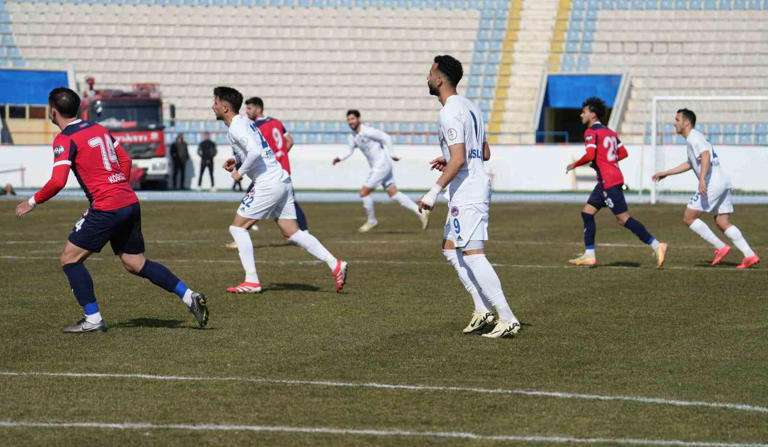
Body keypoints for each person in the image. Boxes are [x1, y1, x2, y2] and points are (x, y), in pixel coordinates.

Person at [14, 87, 208, 333]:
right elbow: (125, 161)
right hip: (128, 201)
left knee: (69, 259)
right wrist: (118, 188)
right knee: (134, 263)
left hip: (108, 206)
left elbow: (58, 181)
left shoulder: (65, 139)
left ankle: (93, 319)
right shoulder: (99, 128)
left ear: (53, 112)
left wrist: (30, 202)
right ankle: (189, 296)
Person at [418, 55, 520, 339]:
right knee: (449, 248)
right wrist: (449, 157)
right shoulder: (472, 107)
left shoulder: (449, 111)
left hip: (468, 192)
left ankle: (507, 316)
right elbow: (483, 153)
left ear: (439, 79)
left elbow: (460, 158)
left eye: (430, 73)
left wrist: (432, 192)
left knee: (474, 256)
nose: (427, 78)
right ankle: (481, 309)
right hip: (472, 186)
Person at [212, 86, 348, 293]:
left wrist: (240, 172)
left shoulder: (236, 128)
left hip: (268, 182)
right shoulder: (245, 123)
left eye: (215, 102)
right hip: (281, 179)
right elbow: (257, 149)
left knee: (237, 228)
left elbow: (256, 151)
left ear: (224, 107)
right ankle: (335, 263)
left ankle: (252, 281)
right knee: (291, 232)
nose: (212, 107)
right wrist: (237, 160)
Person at [566, 97, 667, 268]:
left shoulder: (591, 132)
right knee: (587, 213)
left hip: (608, 181)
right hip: (608, 180)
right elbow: (623, 152)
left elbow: (590, 155)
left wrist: (574, 164)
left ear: (592, 114)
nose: (581, 115)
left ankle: (657, 245)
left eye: (584, 112)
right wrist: (606, 160)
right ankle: (589, 254)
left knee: (623, 219)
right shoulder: (610, 132)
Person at [652, 109, 759, 269]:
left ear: (686, 122)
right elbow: (690, 163)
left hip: (712, 182)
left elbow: (706, 155)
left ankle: (721, 247)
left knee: (689, 217)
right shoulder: (694, 138)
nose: (675, 123)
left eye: (677, 119)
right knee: (722, 222)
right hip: (723, 181)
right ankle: (750, 255)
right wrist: (667, 173)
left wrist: (702, 179)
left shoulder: (694, 137)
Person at [333, 110, 430, 233]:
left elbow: (386, 137)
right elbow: (349, 151)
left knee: (364, 192)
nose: (350, 122)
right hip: (380, 166)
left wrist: (392, 154)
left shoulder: (368, 131)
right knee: (393, 193)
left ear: (358, 119)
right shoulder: (352, 136)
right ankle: (420, 212)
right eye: (348, 120)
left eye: (352, 119)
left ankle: (371, 220)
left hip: (381, 165)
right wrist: (339, 158)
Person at [244, 96, 307, 230]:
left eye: (249, 108)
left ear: (259, 109)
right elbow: (289, 141)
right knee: (290, 203)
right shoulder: (276, 122)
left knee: (250, 200)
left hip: (268, 171)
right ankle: (304, 232)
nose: (246, 111)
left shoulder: (256, 127)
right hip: (283, 168)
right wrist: (281, 155)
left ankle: (241, 233)